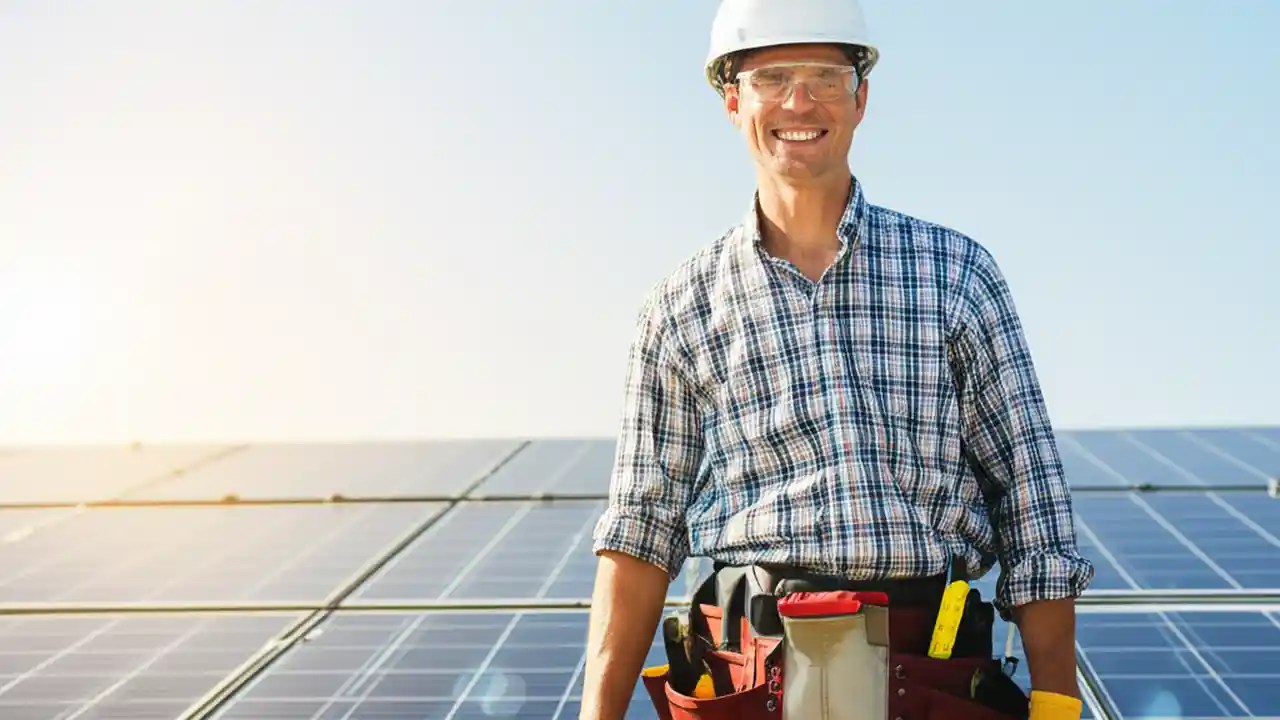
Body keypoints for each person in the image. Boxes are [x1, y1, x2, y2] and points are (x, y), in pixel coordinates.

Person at [580, 1, 1094, 718]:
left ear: (861, 96)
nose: (800, 101)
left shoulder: (956, 276)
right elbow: (639, 533)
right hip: (749, 677)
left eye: (826, 75)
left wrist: (1057, 704)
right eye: (772, 77)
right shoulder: (679, 309)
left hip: (932, 675)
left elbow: (1033, 510)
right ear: (733, 100)